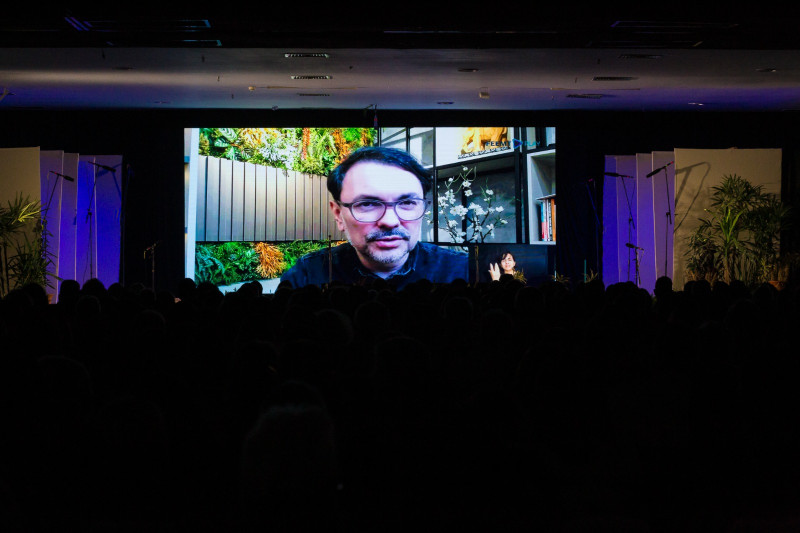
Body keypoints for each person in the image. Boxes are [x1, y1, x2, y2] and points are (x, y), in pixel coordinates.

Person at [280, 146, 469, 290]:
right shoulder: (305, 278)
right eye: (368, 204)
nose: (390, 221)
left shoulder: (463, 273)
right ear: (338, 214)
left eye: (407, 203)